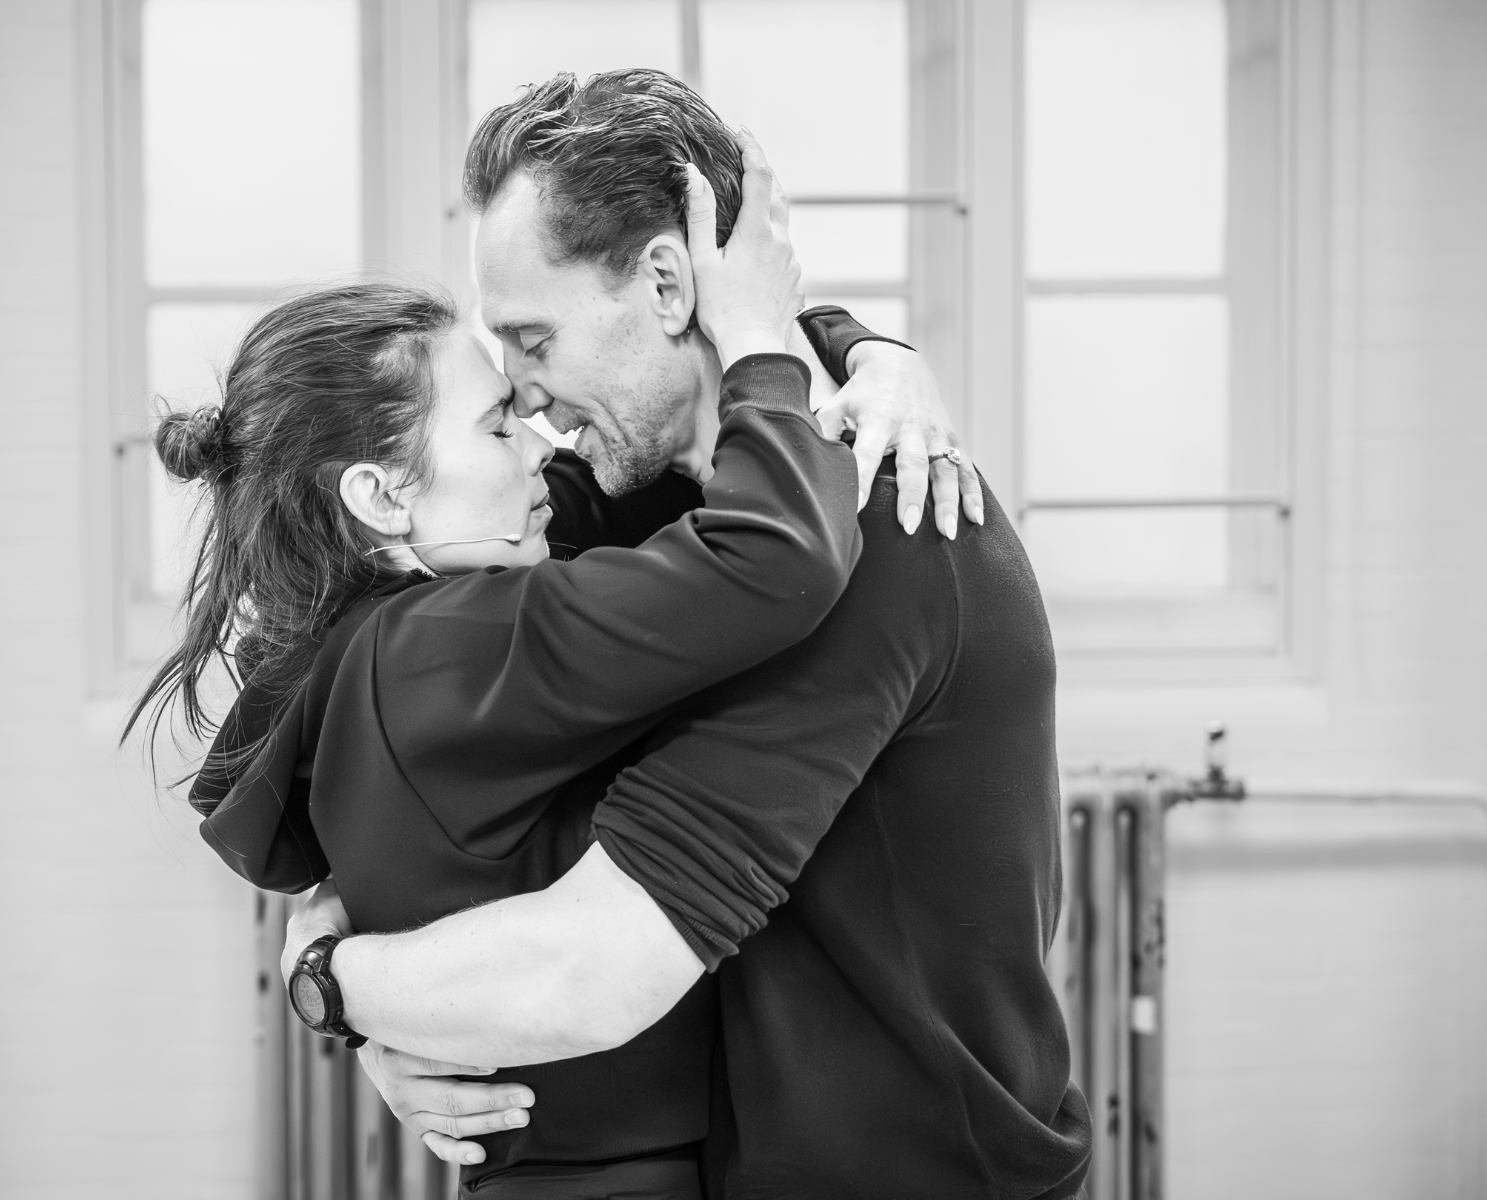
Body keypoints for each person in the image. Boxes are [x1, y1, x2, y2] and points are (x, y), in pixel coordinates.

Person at [283, 69, 1094, 1199]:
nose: (518, 397)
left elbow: (592, 970)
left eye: (532, 338)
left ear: (670, 283)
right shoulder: (664, 500)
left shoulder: (873, 540)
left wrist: (338, 985)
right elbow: (374, 699)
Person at [132, 140, 961, 1196]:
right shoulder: (468, 637)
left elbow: (611, 477)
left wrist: (861, 348)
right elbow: (779, 554)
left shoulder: (344, 647)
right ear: (381, 500)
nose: (536, 435)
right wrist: (765, 337)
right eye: (493, 423)